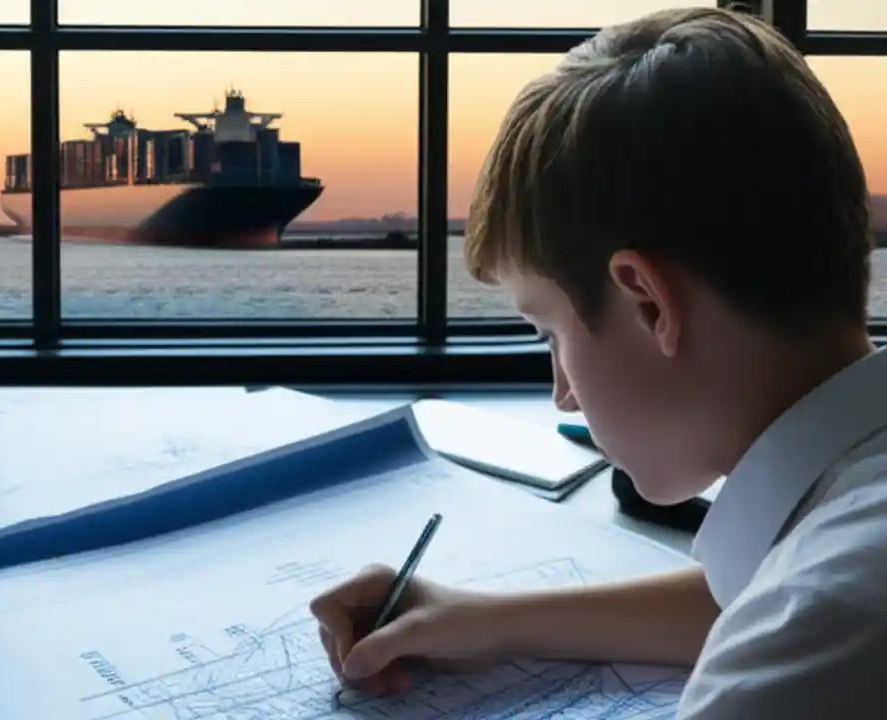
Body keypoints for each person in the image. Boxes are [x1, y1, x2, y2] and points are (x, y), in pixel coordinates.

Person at [309, 6, 887, 718]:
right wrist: (485, 620)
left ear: (648, 304)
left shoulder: (811, 636)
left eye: (550, 334)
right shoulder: (839, 552)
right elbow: (751, 592)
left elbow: (798, 610)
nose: (562, 397)